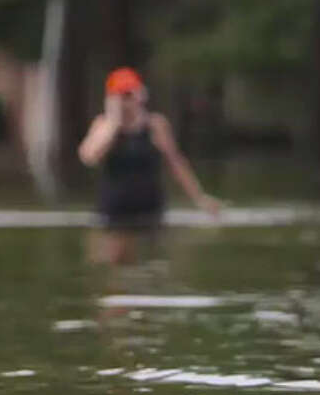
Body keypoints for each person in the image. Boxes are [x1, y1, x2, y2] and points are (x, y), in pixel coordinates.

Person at [78, 68, 222, 256]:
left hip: (151, 210)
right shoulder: (103, 125)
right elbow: (89, 157)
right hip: (113, 213)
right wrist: (114, 122)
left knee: (153, 262)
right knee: (116, 264)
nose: (128, 101)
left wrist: (200, 198)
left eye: (131, 94)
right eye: (123, 95)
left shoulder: (156, 125)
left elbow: (176, 164)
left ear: (141, 94)